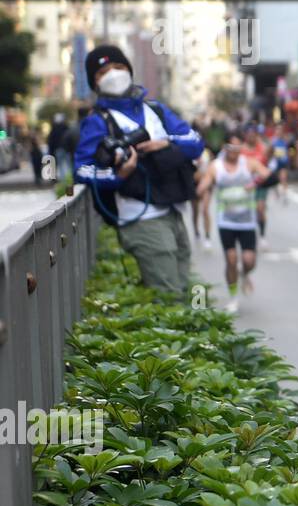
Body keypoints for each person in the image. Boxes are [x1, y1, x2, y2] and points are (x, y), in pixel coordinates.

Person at [74, 45, 204, 295]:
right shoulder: (98, 121)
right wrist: (117, 175)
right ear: (94, 82)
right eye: (103, 72)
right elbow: (83, 170)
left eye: (119, 67)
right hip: (139, 215)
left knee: (182, 287)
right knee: (169, 294)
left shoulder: (155, 109)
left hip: (173, 209)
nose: (113, 74)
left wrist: (165, 143)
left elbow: (196, 142)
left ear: (130, 71)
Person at [197, 132, 271, 314]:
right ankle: (233, 297)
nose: (235, 152)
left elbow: (267, 174)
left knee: (249, 260)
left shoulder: (249, 163)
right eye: (232, 148)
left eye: (239, 148)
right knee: (231, 261)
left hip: (246, 222)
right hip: (226, 222)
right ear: (225, 148)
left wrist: (255, 182)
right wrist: (203, 186)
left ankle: (245, 275)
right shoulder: (216, 167)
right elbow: (203, 185)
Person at [242, 124, 272, 237]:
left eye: (253, 135)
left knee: (260, 209)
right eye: (249, 135)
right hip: (246, 184)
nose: (251, 137)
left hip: (260, 183)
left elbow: (267, 165)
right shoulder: (241, 149)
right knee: (248, 210)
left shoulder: (262, 148)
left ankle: (262, 235)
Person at [190, 144, 214, 251]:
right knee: (195, 210)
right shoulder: (189, 153)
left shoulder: (207, 152)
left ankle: (207, 236)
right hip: (194, 184)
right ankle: (196, 231)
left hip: (206, 184)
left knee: (205, 210)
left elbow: (212, 166)